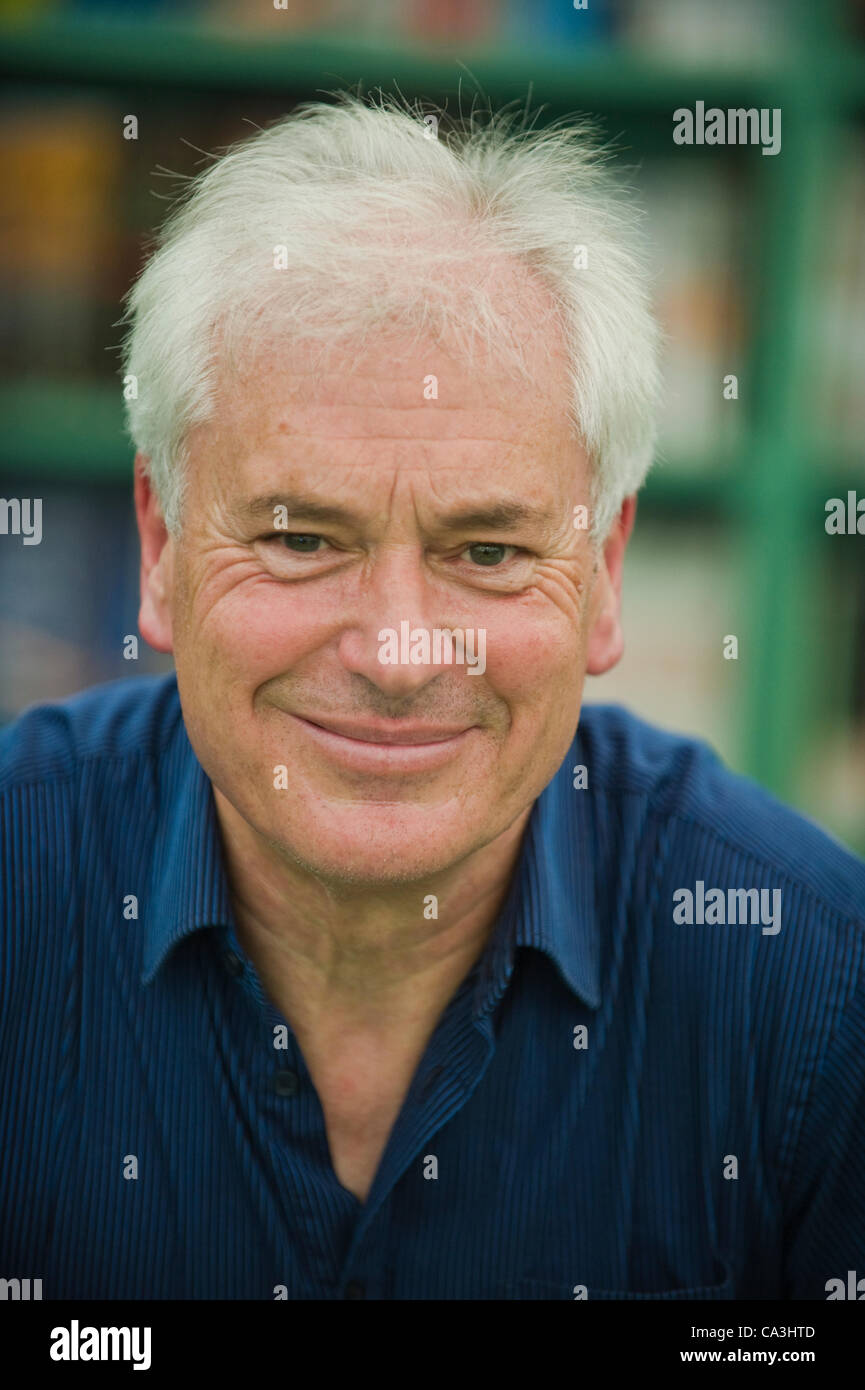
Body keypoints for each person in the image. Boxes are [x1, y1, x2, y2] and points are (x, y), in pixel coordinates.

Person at [1, 95, 863, 1301]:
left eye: (489, 552)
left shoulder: (816, 987)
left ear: (603, 572)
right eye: (301, 537)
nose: (401, 652)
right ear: (161, 540)